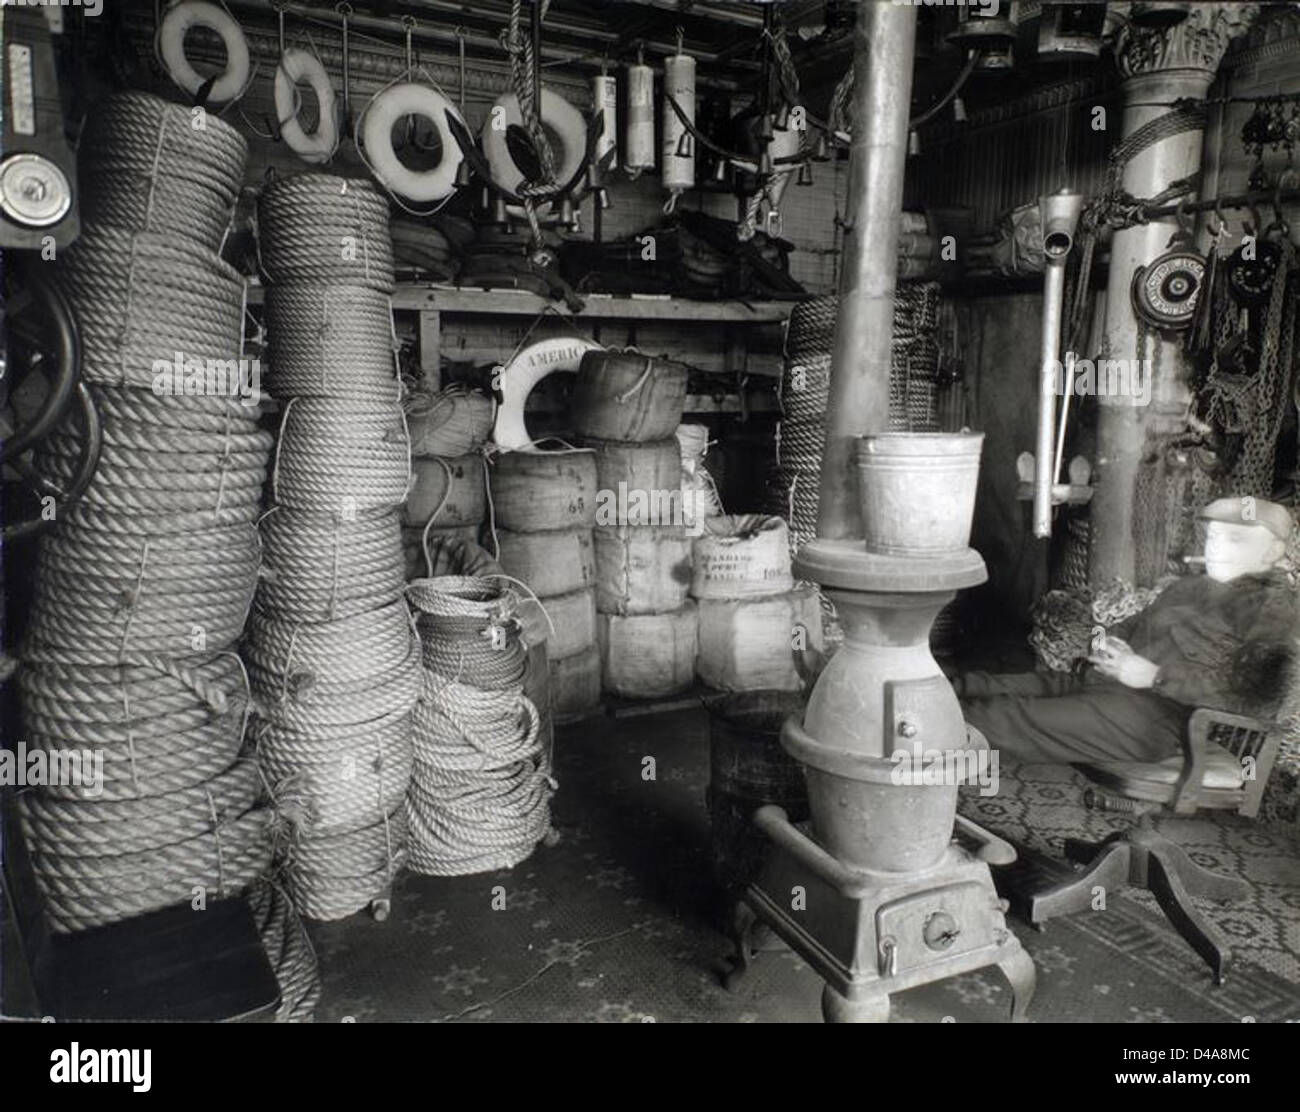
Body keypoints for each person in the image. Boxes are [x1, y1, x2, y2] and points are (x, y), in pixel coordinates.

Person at [958, 497, 1298, 765]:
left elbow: (1257, 701)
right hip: (1097, 684)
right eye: (1212, 537)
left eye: (1235, 540)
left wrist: (1154, 676)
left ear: (1273, 551)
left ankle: (912, 765)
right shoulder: (1189, 588)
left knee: (996, 718)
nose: (1216, 549)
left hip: (1154, 719)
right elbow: (1122, 627)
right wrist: (1104, 645)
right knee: (972, 685)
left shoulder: (1273, 610)